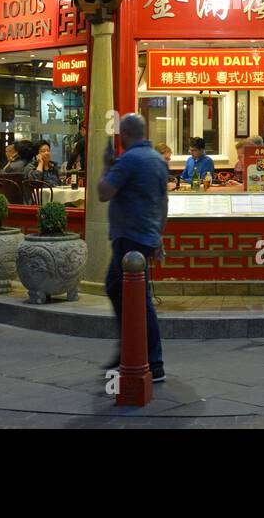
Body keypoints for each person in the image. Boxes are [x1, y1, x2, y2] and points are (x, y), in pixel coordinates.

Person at [99, 113, 168, 382]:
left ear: (126, 134)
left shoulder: (128, 160)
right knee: (120, 290)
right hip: (146, 235)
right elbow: (163, 202)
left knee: (137, 299)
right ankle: (131, 350)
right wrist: (158, 234)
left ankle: (151, 360)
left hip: (129, 238)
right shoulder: (157, 160)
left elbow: (104, 192)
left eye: (121, 134)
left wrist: (106, 165)